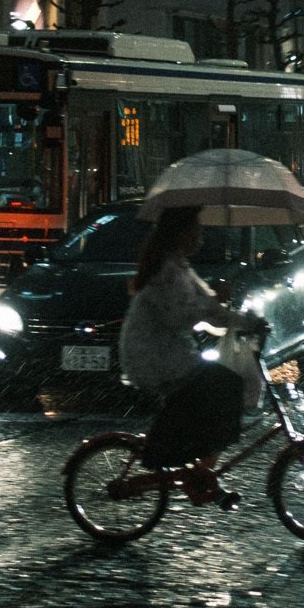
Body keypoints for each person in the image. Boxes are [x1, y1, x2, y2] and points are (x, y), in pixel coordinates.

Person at [119, 206, 247, 504]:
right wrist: (217, 305)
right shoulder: (167, 271)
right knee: (224, 385)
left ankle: (199, 471)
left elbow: (210, 311)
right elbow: (182, 317)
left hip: (169, 353)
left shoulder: (179, 267)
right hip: (154, 357)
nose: (201, 237)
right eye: (196, 231)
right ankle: (180, 458)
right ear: (181, 234)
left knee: (221, 387)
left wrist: (245, 320)